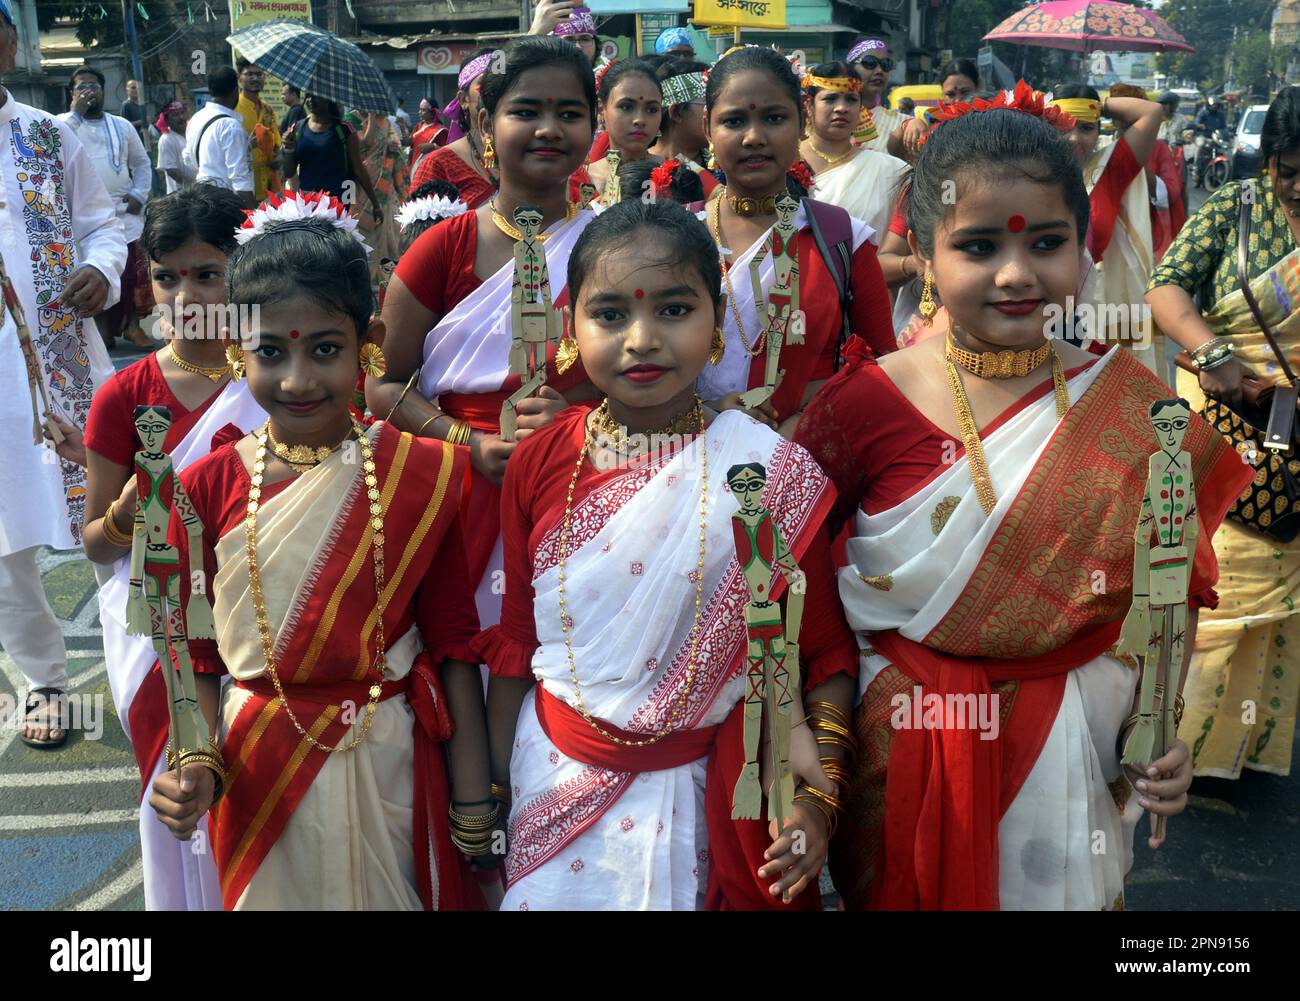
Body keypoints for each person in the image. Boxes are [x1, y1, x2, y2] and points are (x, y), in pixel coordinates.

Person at [794, 87, 1253, 910]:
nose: (1015, 274)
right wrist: (810, 748)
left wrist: (1162, 731)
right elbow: (800, 590)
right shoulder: (859, 406)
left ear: (1085, 251)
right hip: (901, 749)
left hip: (1076, 741)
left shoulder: (1139, 412)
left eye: (1048, 242)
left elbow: (1174, 588)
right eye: (976, 246)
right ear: (924, 258)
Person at [476, 198, 856, 910]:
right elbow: (516, 648)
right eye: (611, 314)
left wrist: (814, 803)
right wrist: (495, 794)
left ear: (716, 324)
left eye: (675, 310)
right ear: (569, 329)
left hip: (717, 799)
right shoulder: (538, 464)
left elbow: (826, 655)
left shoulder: (766, 472)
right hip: (552, 781)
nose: (642, 338)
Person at [146, 192, 492, 910]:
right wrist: (193, 759)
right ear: (239, 349)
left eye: (325, 350)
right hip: (257, 771)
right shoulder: (202, 487)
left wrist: (473, 801)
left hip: (394, 762)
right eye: (271, 352)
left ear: (367, 341)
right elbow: (192, 654)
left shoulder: (424, 474)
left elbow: (455, 644)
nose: (299, 380)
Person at [368, 36, 597, 632]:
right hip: (464, 487)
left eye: (569, 114)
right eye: (525, 111)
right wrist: (469, 443)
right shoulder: (443, 249)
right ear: (485, 123)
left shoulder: (616, 248)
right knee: (472, 651)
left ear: (592, 126)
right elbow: (383, 386)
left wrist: (577, 419)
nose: (548, 128)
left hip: (591, 480)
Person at [83, 185, 262, 909]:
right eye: (167, 275)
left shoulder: (282, 375)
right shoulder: (124, 394)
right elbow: (95, 543)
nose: (185, 293)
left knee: (257, 776)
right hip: (162, 626)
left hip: (263, 609)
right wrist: (128, 512)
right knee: (180, 788)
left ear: (242, 271)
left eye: (206, 272)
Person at [1146, 86, 1300, 781]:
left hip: (1296, 426)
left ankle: (1248, 740)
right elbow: (1167, 286)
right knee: (1228, 576)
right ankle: (1188, 742)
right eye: (1287, 168)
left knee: (1283, 583)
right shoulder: (1232, 211)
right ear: (1266, 162)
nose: (1297, 186)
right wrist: (1211, 351)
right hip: (1231, 415)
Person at [0, 0, 128, 749]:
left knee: (108, 519)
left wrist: (100, 267)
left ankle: (151, 661)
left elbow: (102, 221)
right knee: (7, 543)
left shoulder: (48, 135)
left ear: (11, 42)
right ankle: (45, 682)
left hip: (63, 365)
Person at [699, 46, 894, 437]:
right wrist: (703, 413)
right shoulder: (678, 234)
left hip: (806, 457)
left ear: (802, 122)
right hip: (682, 463)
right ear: (707, 129)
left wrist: (810, 412)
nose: (754, 137)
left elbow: (884, 368)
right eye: (734, 121)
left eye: (774, 118)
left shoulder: (842, 239)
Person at [1051, 84, 1163, 371]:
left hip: (1090, 315)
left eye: (1087, 128)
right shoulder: (1026, 170)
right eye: (1065, 126)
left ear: (1100, 130)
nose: (1075, 138)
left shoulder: (1111, 168)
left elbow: (1151, 112)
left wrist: (1097, 102)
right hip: (1034, 306)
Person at [61, 65, 154, 351]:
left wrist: (139, 193)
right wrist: (76, 114)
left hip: (125, 213)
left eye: (94, 86)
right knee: (95, 271)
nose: (89, 92)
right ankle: (103, 331)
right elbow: (53, 152)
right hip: (85, 218)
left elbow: (141, 164)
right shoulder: (60, 123)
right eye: (82, 87)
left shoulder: (122, 125)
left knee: (133, 276)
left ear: (103, 91)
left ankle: (133, 327)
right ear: (72, 94)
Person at [800, 62, 907, 239]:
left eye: (851, 99)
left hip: (870, 265)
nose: (842, 108)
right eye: (830, 99)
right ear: (809, 107)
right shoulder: (786, 160)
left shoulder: (890, 170)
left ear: (860, 110)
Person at [410, 48, 497, 206]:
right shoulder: (438, 165)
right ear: (463, 100)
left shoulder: (532, 157)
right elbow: (422, 230)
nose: (498, 93)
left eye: (507, 86)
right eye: (487, 85)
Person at [281, 94, 381, 222]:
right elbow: (289, 172)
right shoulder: (298, 128)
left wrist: (375, 203)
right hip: (306, 204)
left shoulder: (344, 129)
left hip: (337, 204)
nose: (310, 100)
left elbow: (358, 169)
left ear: (327, 98)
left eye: (316, 96)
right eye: (308, 96)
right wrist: (288, 148)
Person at [344, 109, 409, 281]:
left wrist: (393, 146)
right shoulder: (352, 119)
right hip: (360, 185)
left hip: (385, 186)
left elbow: (396, 144)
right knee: (361, 231)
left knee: (388, 233)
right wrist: (371, 116)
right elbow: (365, 143)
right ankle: (364, 277)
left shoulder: (385, 121)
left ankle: (387, 280)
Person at [585, 60, 662, 201]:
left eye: (652, 110)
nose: (640, 120)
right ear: (602, 109)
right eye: (626, 107)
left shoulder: (678, 173)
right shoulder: (581, 180)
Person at [184, 67, 254, 207]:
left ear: (210, 91)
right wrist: (253, 216)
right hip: (226, 204)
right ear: (236, 92)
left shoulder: (197, 118)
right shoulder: (231, 126)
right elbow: (240, 179)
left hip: (201, 198)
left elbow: (188, 159)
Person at [846, 37, 906, 153]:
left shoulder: (903, 124)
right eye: (870, 62)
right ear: (851, 67)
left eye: (885, 64)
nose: (879, 71)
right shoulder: (832, 118)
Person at [234, 58, 281, 201]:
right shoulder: (234, 109)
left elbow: (277, 144)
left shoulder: (267, 110)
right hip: (244, 187)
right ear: (239, 77)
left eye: (259, 74)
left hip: (269, 186)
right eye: (249, 74)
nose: (255, 78)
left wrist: (279, 157)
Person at [654, 59, 712, 174]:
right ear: (676, 112)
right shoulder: (639, 168)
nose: (720, 114)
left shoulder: (724, 165)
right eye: (709, 105)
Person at [532, 1, 598, 64]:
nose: (578, 47)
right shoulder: (541, 74)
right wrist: (535, 32)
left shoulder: (606, 74)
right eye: (569, 40)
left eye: (585, 39)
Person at [154, 100, 195, 194]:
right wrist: (196, 185)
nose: (181, 117)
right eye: (175, 115)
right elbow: (172, 171)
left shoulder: (193, 133)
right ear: (166, 120)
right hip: (180, 196)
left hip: (200, 193)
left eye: (183, 112)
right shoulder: (166, 139)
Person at [1194, 96, 1227, 186]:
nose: (1215, 107)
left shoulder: (1221, 115)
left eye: (1217, 105)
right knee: (1201, 145)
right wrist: (1200, 125)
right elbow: (1196, 122)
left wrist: (1226, 132)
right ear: (1209, 105)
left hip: (1215, 137)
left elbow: (1224, 127)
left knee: (1223, 150)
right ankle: (1196, 168)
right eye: (1213, 105)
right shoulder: (1203, 112)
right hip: (1203, 136)